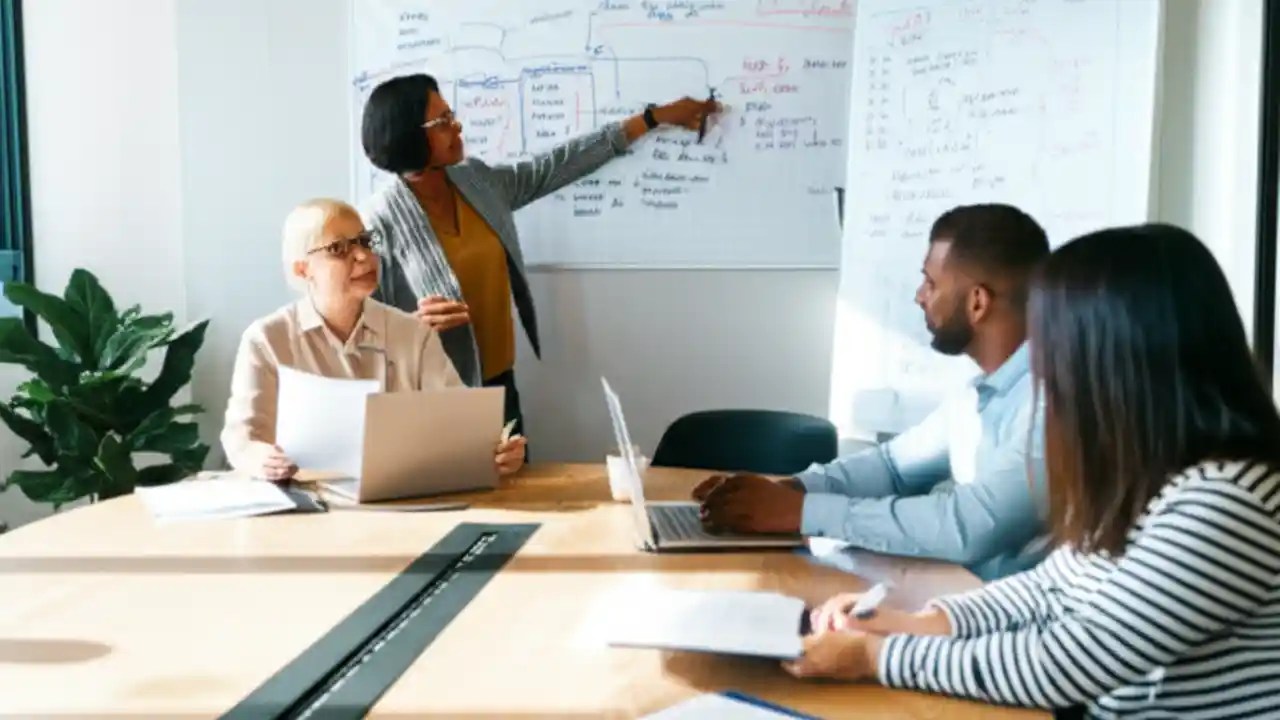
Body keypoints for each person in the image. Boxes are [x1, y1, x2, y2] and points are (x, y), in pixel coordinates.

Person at [786, 224, 1280, 719]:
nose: (1043, 368)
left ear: (1113, 360)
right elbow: (1048, 589)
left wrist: (877, 656)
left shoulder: (1229, 498)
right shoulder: (1157, 475)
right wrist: (908, 623)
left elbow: (1071, 660)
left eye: (1051, 344)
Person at [696, 204, 1052, 580]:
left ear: (977, 302)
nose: (919, 296)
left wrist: (798, 511)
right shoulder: (980, 394)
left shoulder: (1052, 403)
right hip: (956, 595)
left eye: (931, 283)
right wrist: (782, 491)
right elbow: (893, 467)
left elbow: (967, 526)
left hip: (1006, 621)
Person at [359, 73, 719, 443]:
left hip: (501, 387)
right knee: (458, 499)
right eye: (443, 122)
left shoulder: (477, 182)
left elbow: (553, 168)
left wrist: (650, 120)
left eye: (451, 115)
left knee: (517, 494)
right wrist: (412, 326)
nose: (457, 126)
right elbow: (360, 330)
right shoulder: (377, 222)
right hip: (433, 398)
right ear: (407, 136)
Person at [221, 198, 527, 480]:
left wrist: (497, 452)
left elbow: (463, 427)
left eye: (365, 242)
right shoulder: (266, 340)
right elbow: (242, 439)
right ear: (303, 270)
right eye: (339, 249)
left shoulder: (412, 333)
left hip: (405, 498)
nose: (363, 256)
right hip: (307, 504)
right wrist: (260, 458)